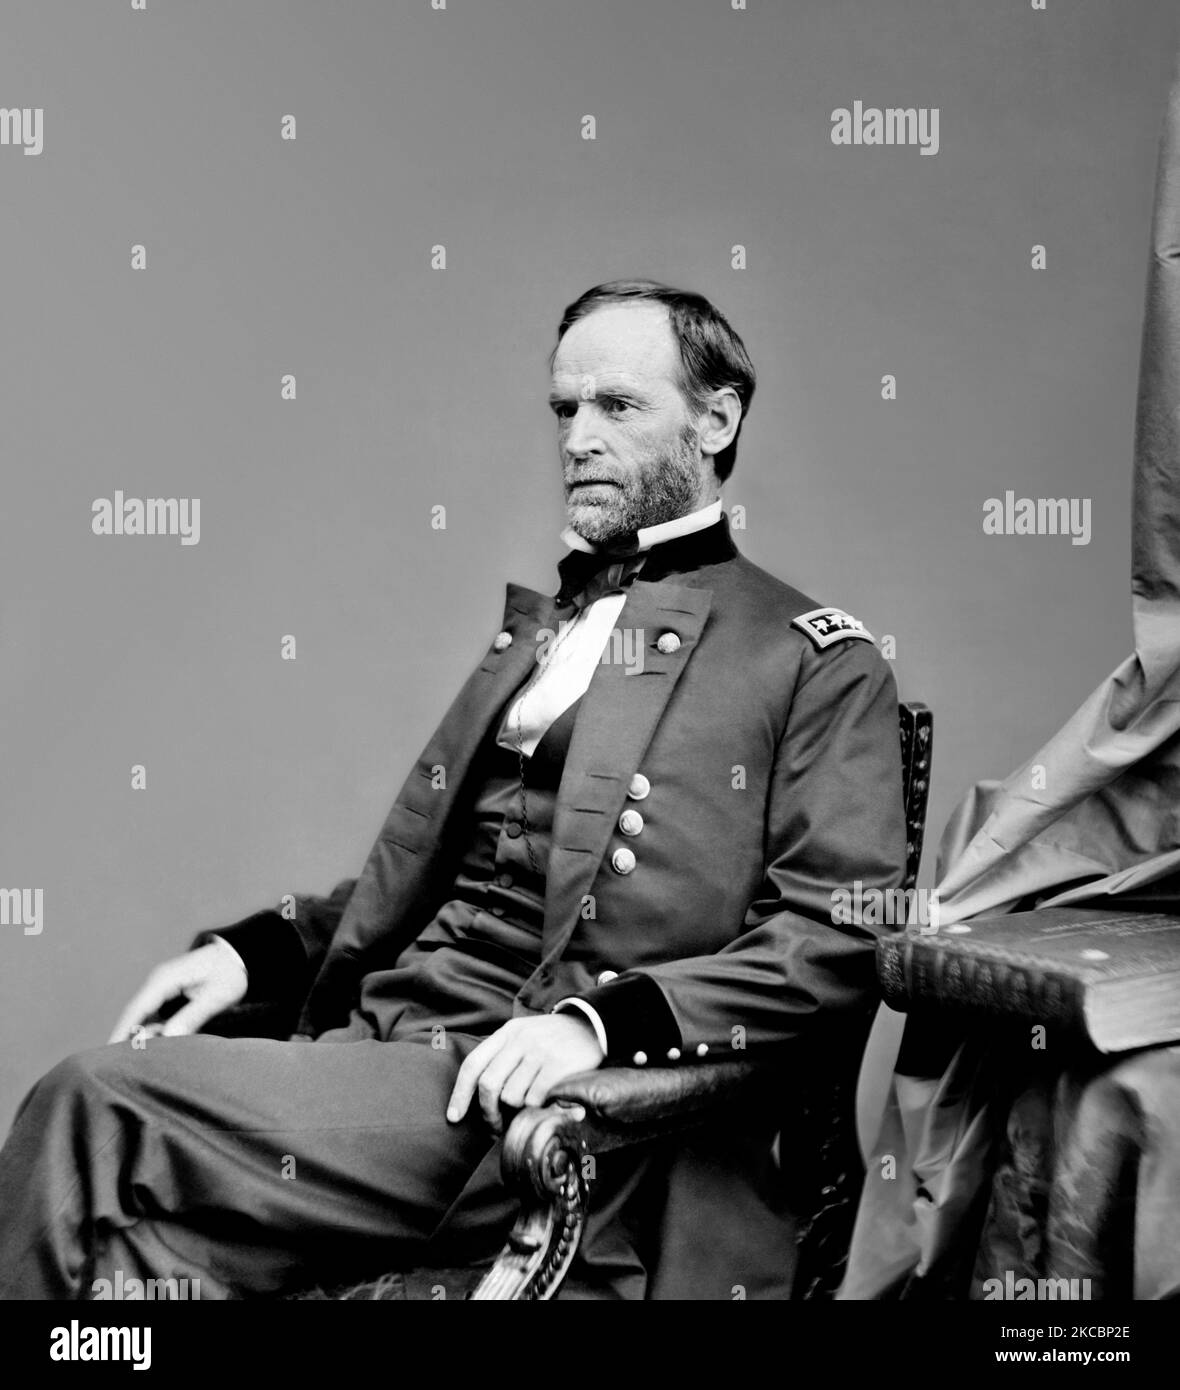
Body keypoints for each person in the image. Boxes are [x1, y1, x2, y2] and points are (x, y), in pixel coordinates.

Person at [0, 280, 908, 1300]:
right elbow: (437, 872)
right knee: (138, 1259)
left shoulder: (811, 660)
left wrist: (597, 1026)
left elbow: (839, 938)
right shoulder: (545, 631)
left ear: (717, 417)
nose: (577, 438)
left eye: (618, 406)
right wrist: (250, 952)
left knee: (95, 1103)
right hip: (382, 1040)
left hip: (505, 1090)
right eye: (565, 409)